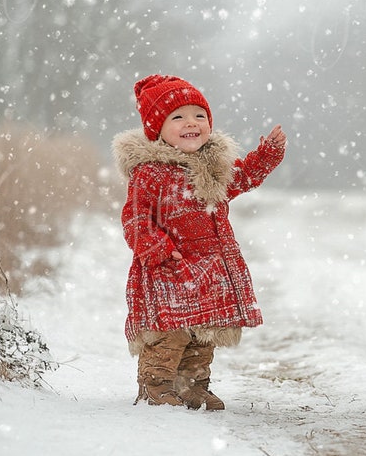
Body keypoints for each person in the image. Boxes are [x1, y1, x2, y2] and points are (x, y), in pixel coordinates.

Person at [112, 74, 286, 410]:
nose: (191, 123)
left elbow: (243, 177)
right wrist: (158, 249)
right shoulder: (150, 173)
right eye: (178, 117)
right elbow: (134, 219)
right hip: (169, 268)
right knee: (170, 333)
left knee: (203, 334)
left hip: (208, 270)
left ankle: (193, 384)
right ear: (156, 129)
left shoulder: (212, 168)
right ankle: (156, 384)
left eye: (199, 116)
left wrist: (267, 155)